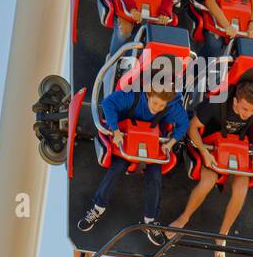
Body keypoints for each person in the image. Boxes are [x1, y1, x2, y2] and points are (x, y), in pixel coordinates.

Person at [167, 80, 253, 257]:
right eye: (244, 109)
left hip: (237, 149)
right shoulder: (216, 103)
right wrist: (205, 153)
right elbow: (192, 128)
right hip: (209, 145)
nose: (247, 114)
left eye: (251, 110)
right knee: (209, 181)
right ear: (234, 101)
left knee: (242, 188)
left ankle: (222, 235)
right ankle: (183, 219)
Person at [78, 84, 189, 242]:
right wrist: (115, 130)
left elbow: (184, 124)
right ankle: (97, 209)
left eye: (161, 106)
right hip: (126, 138)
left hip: (150, 141)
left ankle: (150, 222)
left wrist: (171, 142)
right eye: (155, 103)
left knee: (155, 175)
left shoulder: (170, 105)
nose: (157, 108)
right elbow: (108, 103)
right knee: (118, 167)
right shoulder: (132, 96)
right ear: (148, 95)